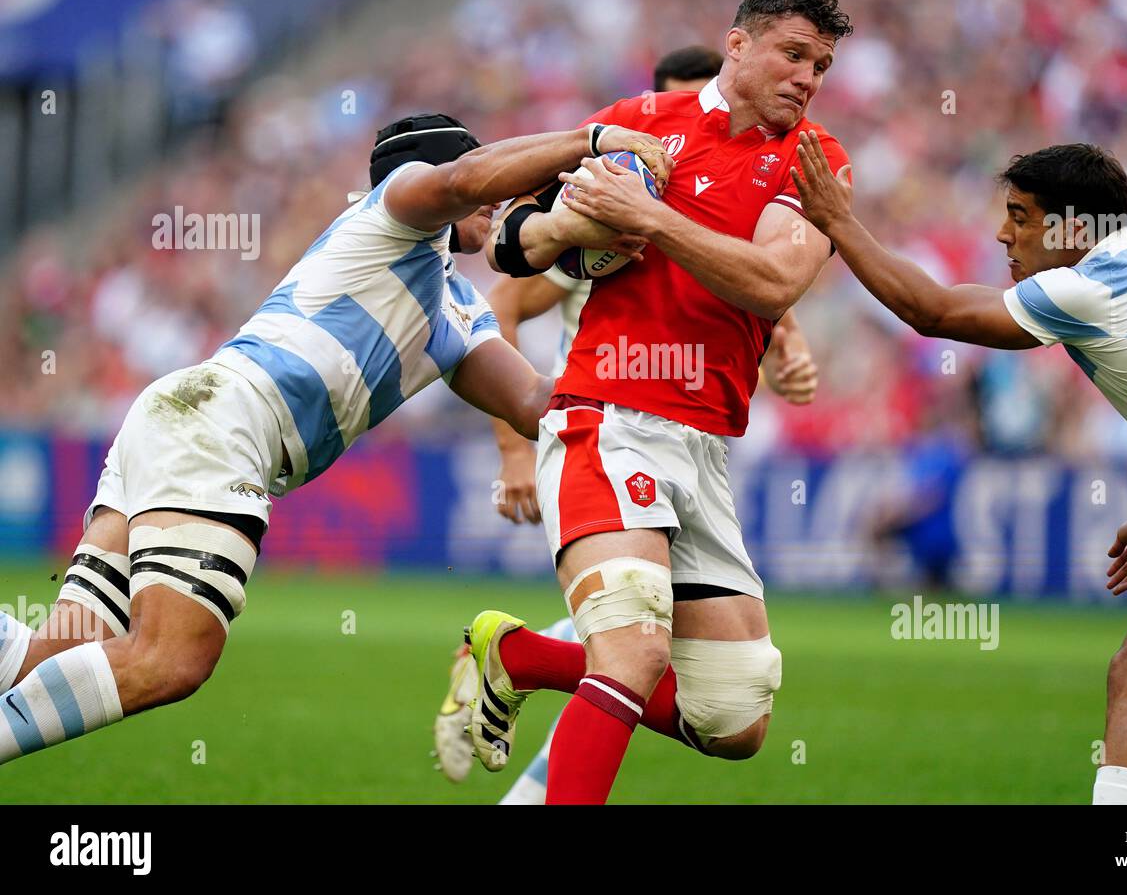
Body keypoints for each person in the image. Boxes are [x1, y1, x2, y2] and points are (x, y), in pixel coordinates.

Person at [0, 113, 669, 765]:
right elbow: (467, 178)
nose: (497, 201)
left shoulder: (456, 306)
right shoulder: (397, 209)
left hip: (184, 415)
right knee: (171, 657)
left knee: (59, 651)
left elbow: (532, 402)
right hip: (225, 425)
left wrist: (643, 379)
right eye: (483, 181)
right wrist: (593, 140)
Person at [790, 132, 1127, 804]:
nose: (1004, 234)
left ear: (1075, 227)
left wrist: (836, 220)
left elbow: (932, 310)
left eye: (1022, 217)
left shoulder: (1087, 286)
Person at [453, 0, 853, 804]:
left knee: (733, 720)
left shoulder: (817, 161)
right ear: (738, 45)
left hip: (705, 445)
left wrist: (655, 217)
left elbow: (776, 280)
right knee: (632, 654)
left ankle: (520, 655)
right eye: (794, 54)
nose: (809, 78)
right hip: (608, 419)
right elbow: (507, 248)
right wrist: (569, 226)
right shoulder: (633, 125)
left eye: (822, 64)